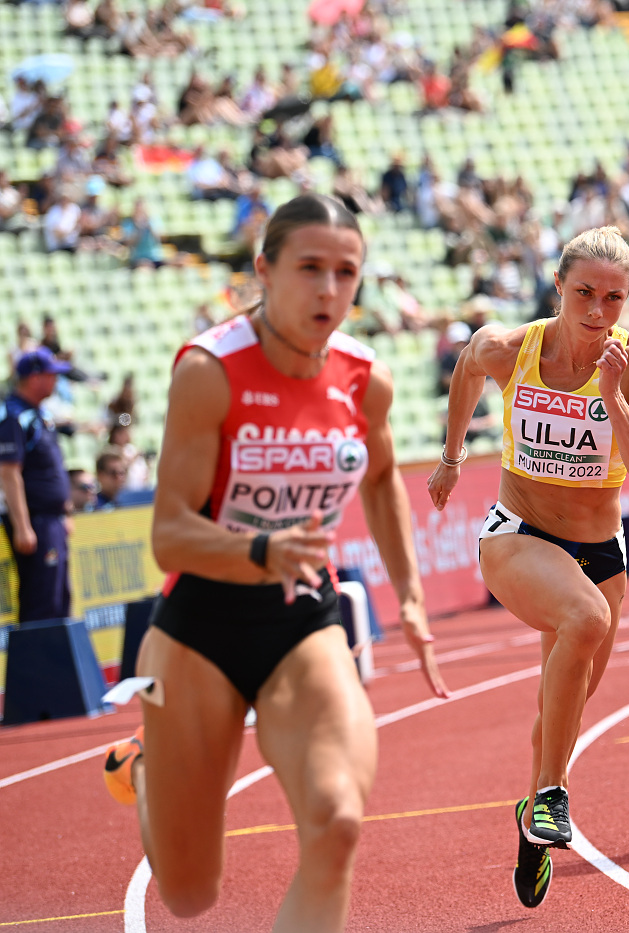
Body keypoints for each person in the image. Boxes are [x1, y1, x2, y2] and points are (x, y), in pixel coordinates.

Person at [100, 195, 448, 933]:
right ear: (264, 269)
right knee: (189, 893)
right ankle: (145, 774)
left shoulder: (364, 377)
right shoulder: (210, 370)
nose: (328, 290)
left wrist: (410, 596)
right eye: (309, 268)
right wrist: (261, 547)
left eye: (346, 272)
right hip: (201, 624)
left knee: (339, 819)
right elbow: (169, 537)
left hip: (302, 618)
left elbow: (383, 477)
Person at [427, 226, 629, 909]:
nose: (598, 311)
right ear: (558, 287)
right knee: (584, 618)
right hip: (519, 532)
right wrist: (453, 455)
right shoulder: (513, 348)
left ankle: (532, 819)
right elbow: (466, 367)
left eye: (613, 298)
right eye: (584, 293)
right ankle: (551, 794)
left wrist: (614, 396)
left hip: (601, 550)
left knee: (557, 711)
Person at [0, 348, 74, 624]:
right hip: (36, 521)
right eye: (51, 375)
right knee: (41, 604)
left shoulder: (39, 414)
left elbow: (52, 466)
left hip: (51, 521)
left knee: (59, 600)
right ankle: (37, 666)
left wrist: (64, 512)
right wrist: (22, 525)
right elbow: (9, 473)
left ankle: (56, 665)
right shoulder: (13, 416)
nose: (56, 381)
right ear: (34, 378)